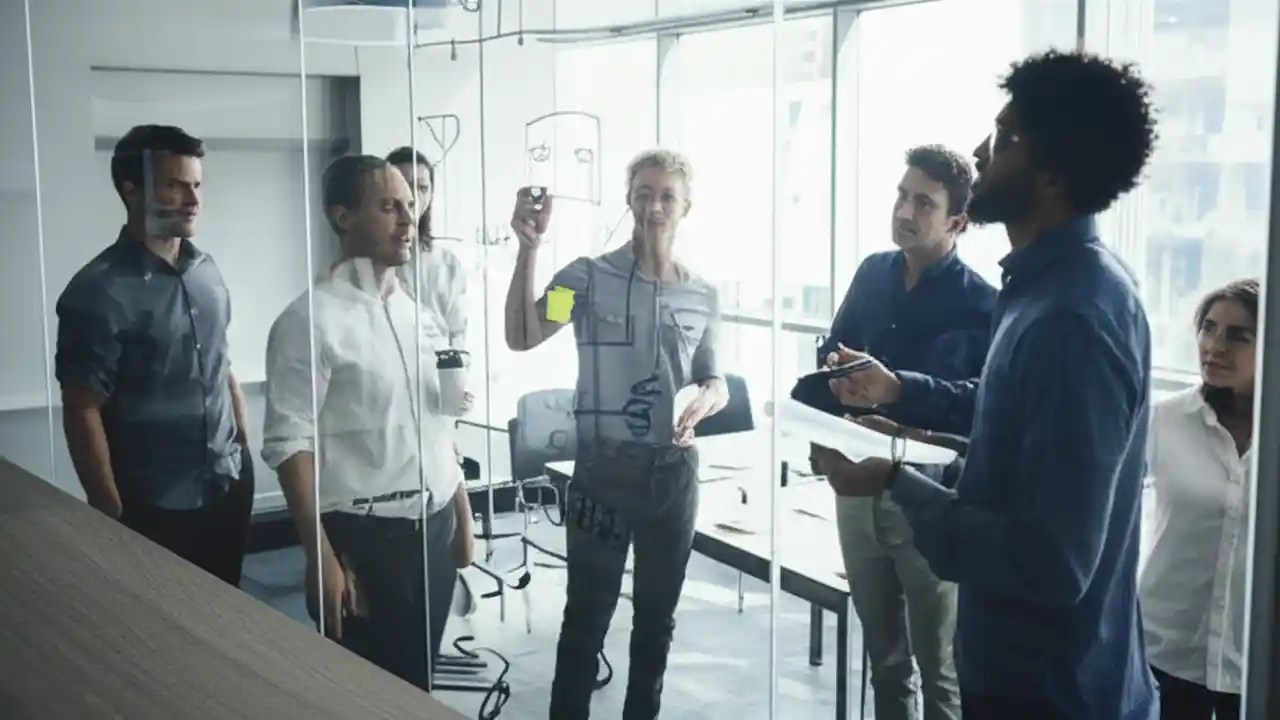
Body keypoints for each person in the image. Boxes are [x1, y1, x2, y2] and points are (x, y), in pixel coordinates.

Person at [822, 50, 1160, 720]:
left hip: (1051, 691)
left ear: (1054, 174)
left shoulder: (1075, 317)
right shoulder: (1040, 289)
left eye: (1004, 140)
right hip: (1022, 673)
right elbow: (1009, 443)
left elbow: (1052, 563)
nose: (981, 151)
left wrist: (894, 477)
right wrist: (906, 433)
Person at [504, 148, 729, 720]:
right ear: (629, 199)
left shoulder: (703, 294)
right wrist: (529, 250)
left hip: (672, 478)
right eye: (645, 193)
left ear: (687, 207)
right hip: (603, 473)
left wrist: (709, 396)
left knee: (656, 623)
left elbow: (715, 376)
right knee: (586, 620)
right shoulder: (585, 278)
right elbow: (524, 334)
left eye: (667, 196)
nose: (654, 206)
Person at [261, 154, 476, 691]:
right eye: (389, 207)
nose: (409, 219)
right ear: (344, 218)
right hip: (365, 538)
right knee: (368, 695)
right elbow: (291, 444)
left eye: (411, 204)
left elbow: (436, 426)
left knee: (418, 686)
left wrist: (463, 511)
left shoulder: (415, 313)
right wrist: (321, 558)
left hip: (433, 529)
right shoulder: (310, 320)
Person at [810, 145, 996, 720]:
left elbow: (982, 408)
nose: (904, 212)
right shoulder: (872, 272)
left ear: (957, 222)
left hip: (929, 496)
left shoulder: (984, 303)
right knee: (884, 661)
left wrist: (898, 391)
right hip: (856, 486)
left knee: (939, 667)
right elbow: (831, 349)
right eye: (901, 195)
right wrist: (830, 391)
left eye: (923, 202)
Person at [55, 124, 254, 587]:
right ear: (132, 190)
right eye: (174, 184)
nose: (192, 198)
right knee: (162, 636)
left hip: (226, 483)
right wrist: (109, 511)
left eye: (197, 185)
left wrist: (242, 445)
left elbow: (221, 362)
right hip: (152, 501)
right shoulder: (98, 290)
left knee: (230, 620)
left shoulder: (207, 271)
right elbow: (81, 407)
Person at [1139, 279, 1259, 720]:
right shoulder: (1164, 421)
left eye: (1237, 336)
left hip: (1254, 661)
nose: (1214, 346)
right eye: (1208, 329)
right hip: (1165, 651)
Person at [386, 146, 468, 348]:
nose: (412, 197)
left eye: (422, 188)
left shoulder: (446, 264)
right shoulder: (368, 259)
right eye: (404, 185)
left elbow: (457, 333)